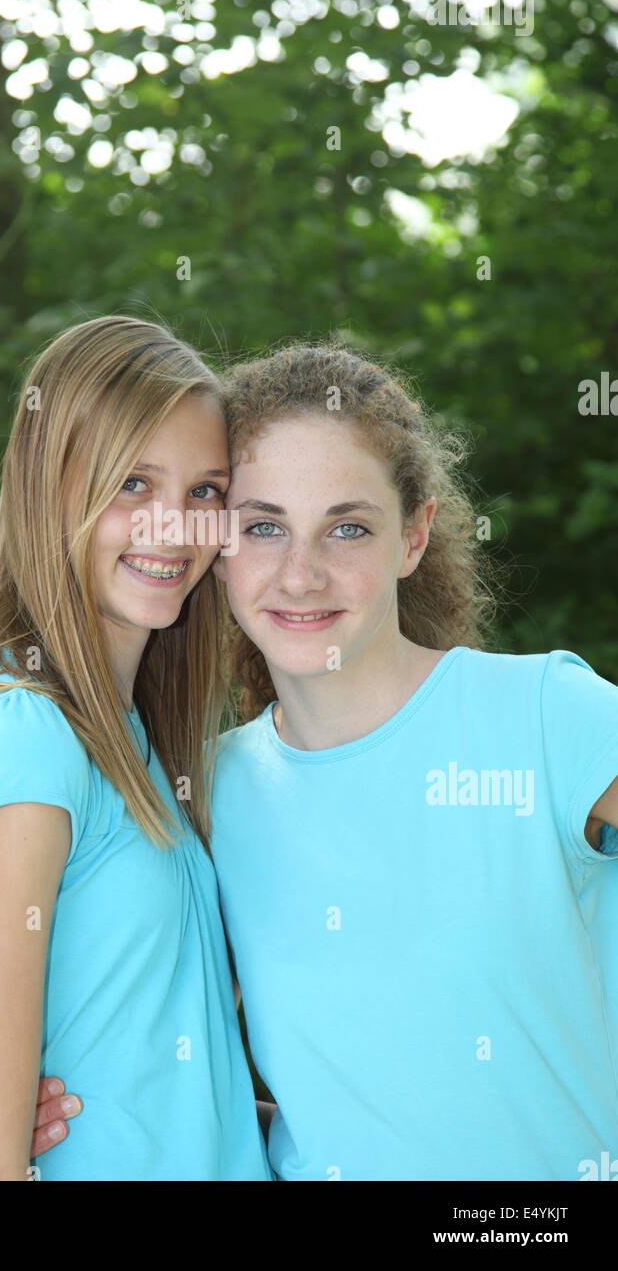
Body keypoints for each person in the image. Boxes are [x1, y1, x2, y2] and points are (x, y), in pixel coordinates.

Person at [208, 339, 618, 1181]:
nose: (301, 573)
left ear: (414, 536)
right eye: (263, 528)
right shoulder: (204, 792)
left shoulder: (545, 718)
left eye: (347, 527)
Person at [0, 316, 274, 1181]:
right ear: (49, 490)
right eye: (133, 483)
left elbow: (154, 1070)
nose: (172, 527)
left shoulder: (138, 741)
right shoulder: (21, 737)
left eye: (205, 491)